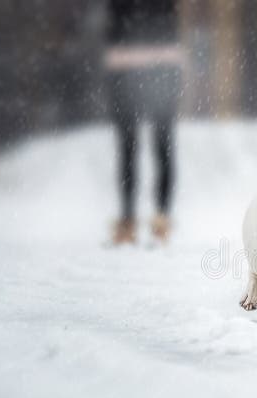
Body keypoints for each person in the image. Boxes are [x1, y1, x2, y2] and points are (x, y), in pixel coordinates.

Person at [104, 0, 184, 244]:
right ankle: (157, 219)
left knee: (134, 148)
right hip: (153, 66)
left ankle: (134, 220)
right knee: (158, 146)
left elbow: (114, 22)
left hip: (132, 67)